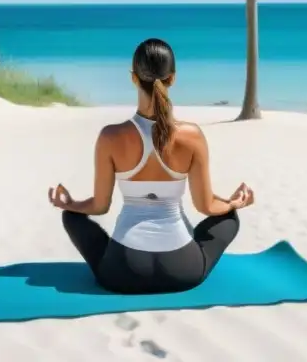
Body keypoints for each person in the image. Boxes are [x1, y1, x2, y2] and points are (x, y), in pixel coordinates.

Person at [49, 37, 255, 294]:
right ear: (173, 78)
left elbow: (100, 206)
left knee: (72, 217)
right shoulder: (192, 136)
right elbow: (207, 206)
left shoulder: (110, 137)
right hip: (183, 271)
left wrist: (69, 205)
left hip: (123, 271)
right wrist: (234, 204)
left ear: (133, 78)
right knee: (228, 218)